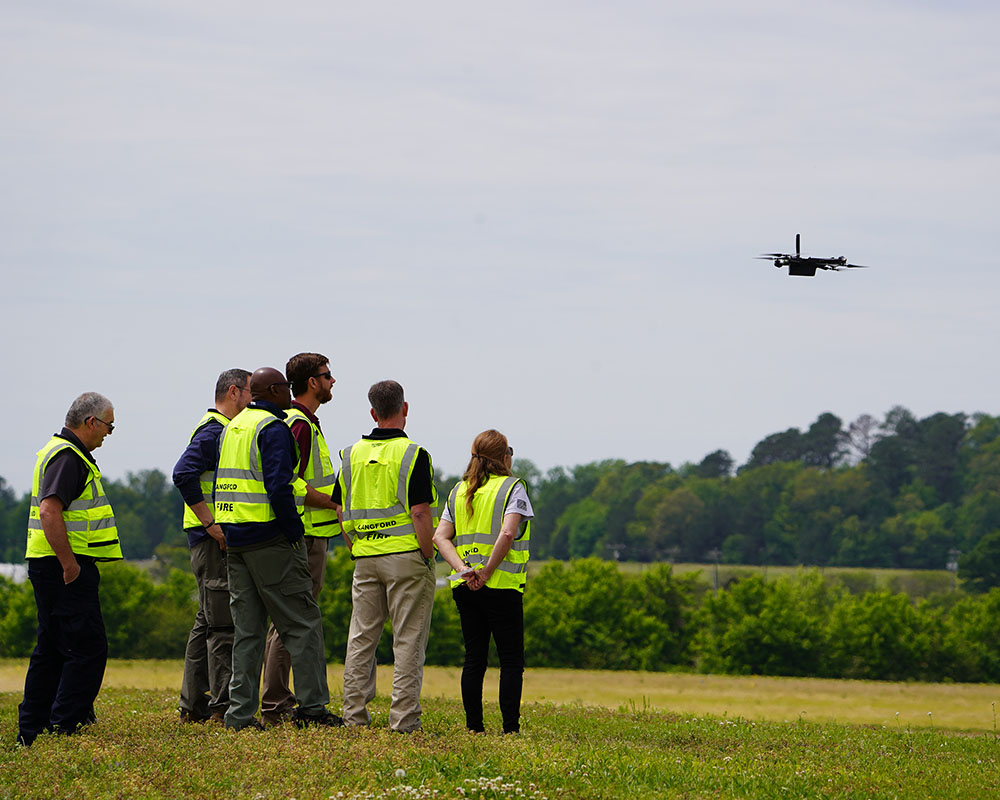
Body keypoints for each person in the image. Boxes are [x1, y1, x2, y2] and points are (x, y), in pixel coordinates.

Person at [214, 367, 342, 730]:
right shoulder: (272, 428)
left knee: (248, 631)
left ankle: (238, 716)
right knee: (302, 623)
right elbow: (279, 485)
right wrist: (293, 532)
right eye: (285, 387)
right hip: (271, 539)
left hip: (236, 540)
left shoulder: (234, 427)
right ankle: (313, 709)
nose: (290, 393)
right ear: (273, 390)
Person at [17, 393, 123, 747]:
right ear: (90, 422)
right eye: (109, 424)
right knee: (88, 648)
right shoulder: (68, 457)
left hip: (48, 565)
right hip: (63, 568)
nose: (110, 432)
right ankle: (65, 728)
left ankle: (32, 730)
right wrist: (69, 564)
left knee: (51, 649)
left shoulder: (55, 451)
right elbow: (50, 511)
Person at [334, 379, 438, 733]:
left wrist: (355, 545)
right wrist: (427, 554)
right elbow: (420, 512)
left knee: (362, 637)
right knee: (407, 639)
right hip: (406, 557)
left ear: (372, 413)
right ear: (404, 409)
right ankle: (404, 720)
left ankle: (354, 717)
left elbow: (339, 508)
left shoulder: (350, 455)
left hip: (364, 556)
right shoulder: (414, 455)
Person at [432, 429, 532, 734]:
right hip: (501, 586)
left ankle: (474, 727)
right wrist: (486, 572)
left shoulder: (458, 491)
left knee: (474, 657)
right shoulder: (513, 488)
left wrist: (464, 570)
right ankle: (509, 729)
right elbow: (507, 533)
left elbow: (440, 537)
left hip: (466, 588)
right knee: (510, 659)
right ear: (504, 457)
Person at [260, 352, 341, 727]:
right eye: (327, 376)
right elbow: (290, 480)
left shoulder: (305, 421)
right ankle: (277, 703)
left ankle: (281, 700)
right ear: (312, 382)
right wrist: (334, 503)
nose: (332, 381)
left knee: (291, 621)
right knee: (292, 622)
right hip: (306, 536)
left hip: (311, 534)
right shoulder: (299, 425)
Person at [171, 368, 251, 724]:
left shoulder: (219, 429)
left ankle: (193, 706)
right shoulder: (215, 432)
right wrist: (210, 522)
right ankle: (221, 708)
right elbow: (183, 473)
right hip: (210, 539)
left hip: (205, 538)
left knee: (206, 620)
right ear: (233, 392)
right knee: (222, 625)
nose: (252, 403)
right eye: (249, 395)